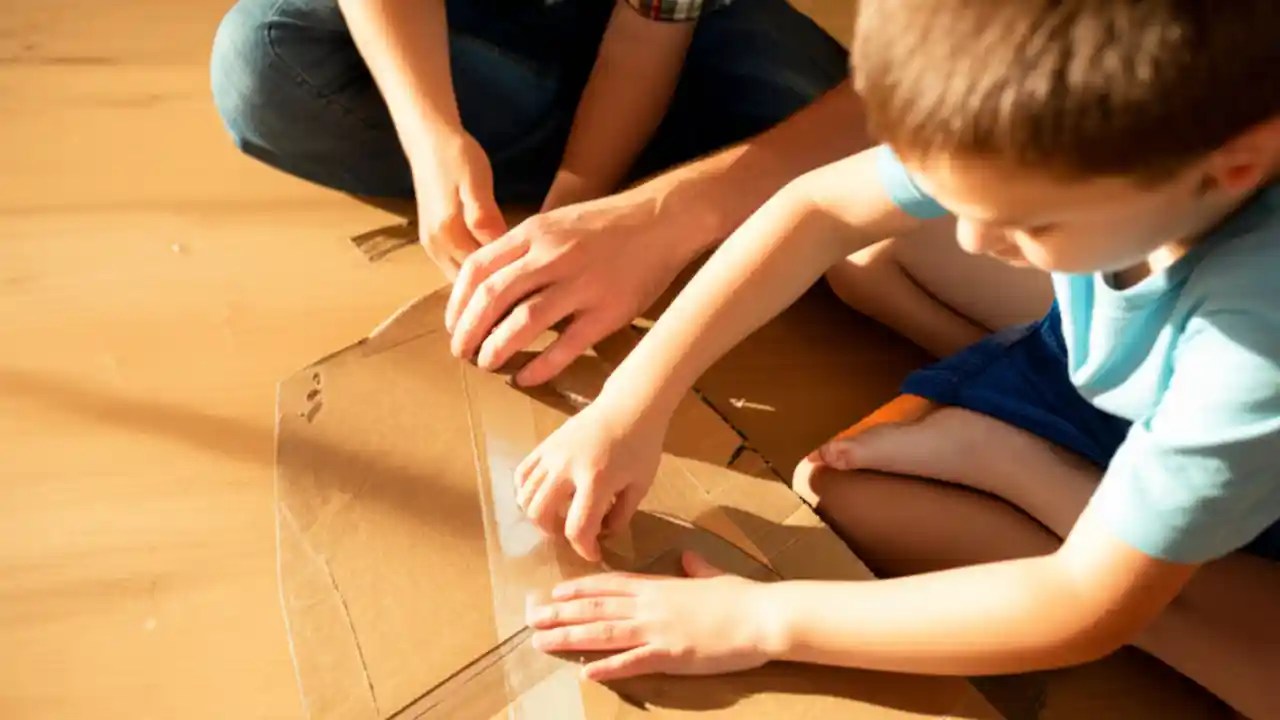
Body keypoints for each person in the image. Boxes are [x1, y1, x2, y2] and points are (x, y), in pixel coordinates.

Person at [513, 1, 1280, 717]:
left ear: (1235, 163)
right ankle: (1055, 461)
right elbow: (818, 208)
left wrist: (759, 619)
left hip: (1252, 504)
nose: (980, 239)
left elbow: (1082, 606)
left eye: (1030, 221)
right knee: (852, 418)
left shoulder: (1253, 344)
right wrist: (634, 402)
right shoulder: (1115, 143)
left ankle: (1034, 469)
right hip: (1144, 363)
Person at [211, 0, 881, 387]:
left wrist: (607, 210)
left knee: (873, 137)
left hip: (701, 24)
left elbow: (647, 38)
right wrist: (433, 138)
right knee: (265, 59)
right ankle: (672, 152)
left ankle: (661, 159)